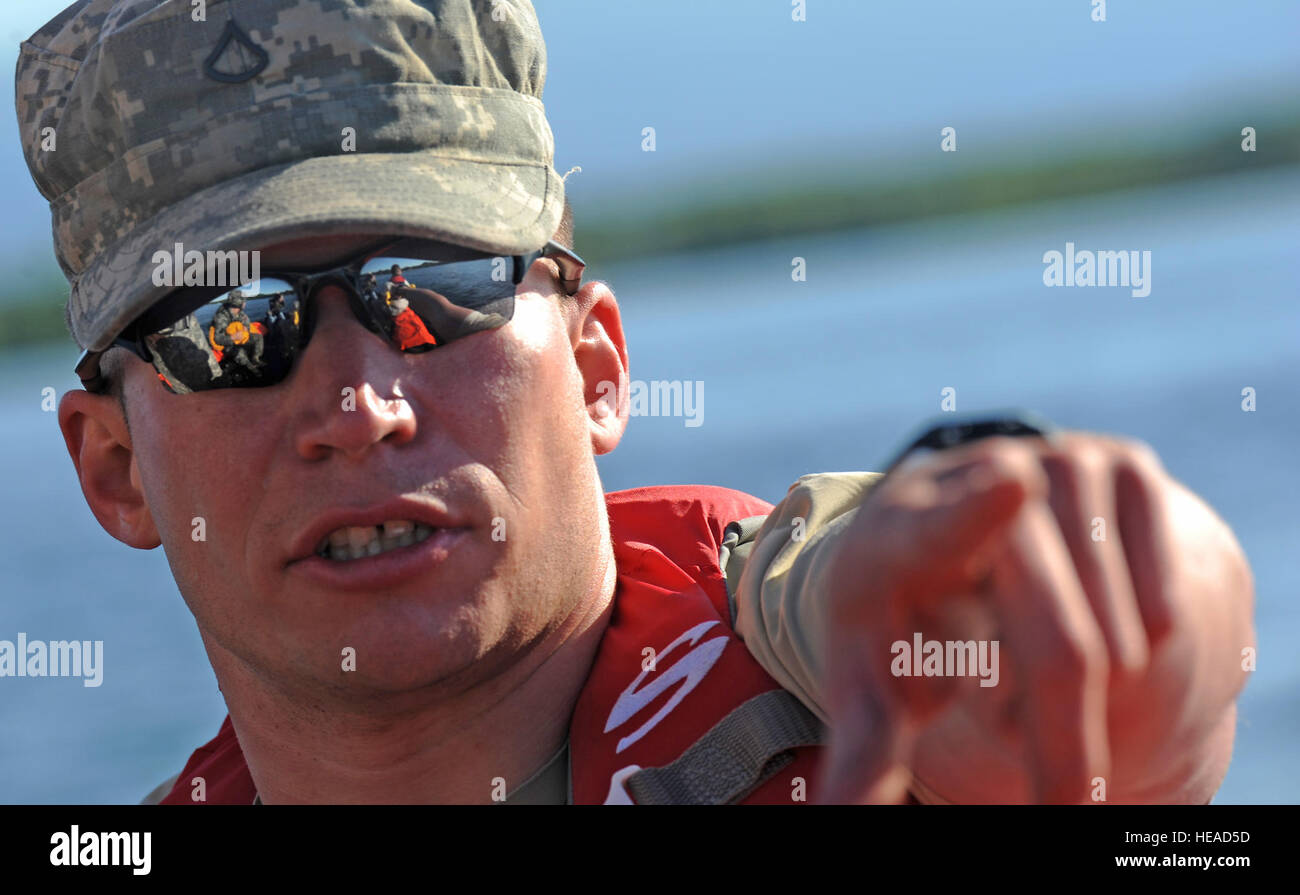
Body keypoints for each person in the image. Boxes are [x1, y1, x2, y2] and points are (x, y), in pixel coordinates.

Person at [21, 0, 1252, 805]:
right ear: (117, 469)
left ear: (598, 366)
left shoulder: (827, 668)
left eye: (436, 292)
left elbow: (1128, 667)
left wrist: (1030, 551)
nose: (358, 406)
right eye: (238, 330)